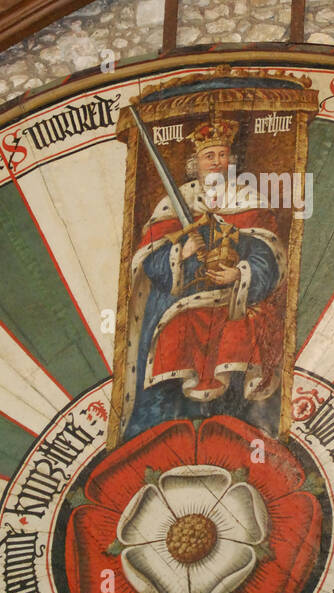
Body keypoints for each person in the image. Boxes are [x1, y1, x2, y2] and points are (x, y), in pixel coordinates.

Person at [120, 114, 287, 441]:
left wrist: (238, 274)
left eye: (223, 155)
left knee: (245, 332)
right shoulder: (175, 202)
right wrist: (177, 255)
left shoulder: (248, 199)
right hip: (179, 301)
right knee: (176, 330)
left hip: (235, 301)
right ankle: (174, 430)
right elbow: (149, 265)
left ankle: (237, 430)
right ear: (195, 163)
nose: (217, 162)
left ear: (231, 161)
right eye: (209, 156)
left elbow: (266, 257)